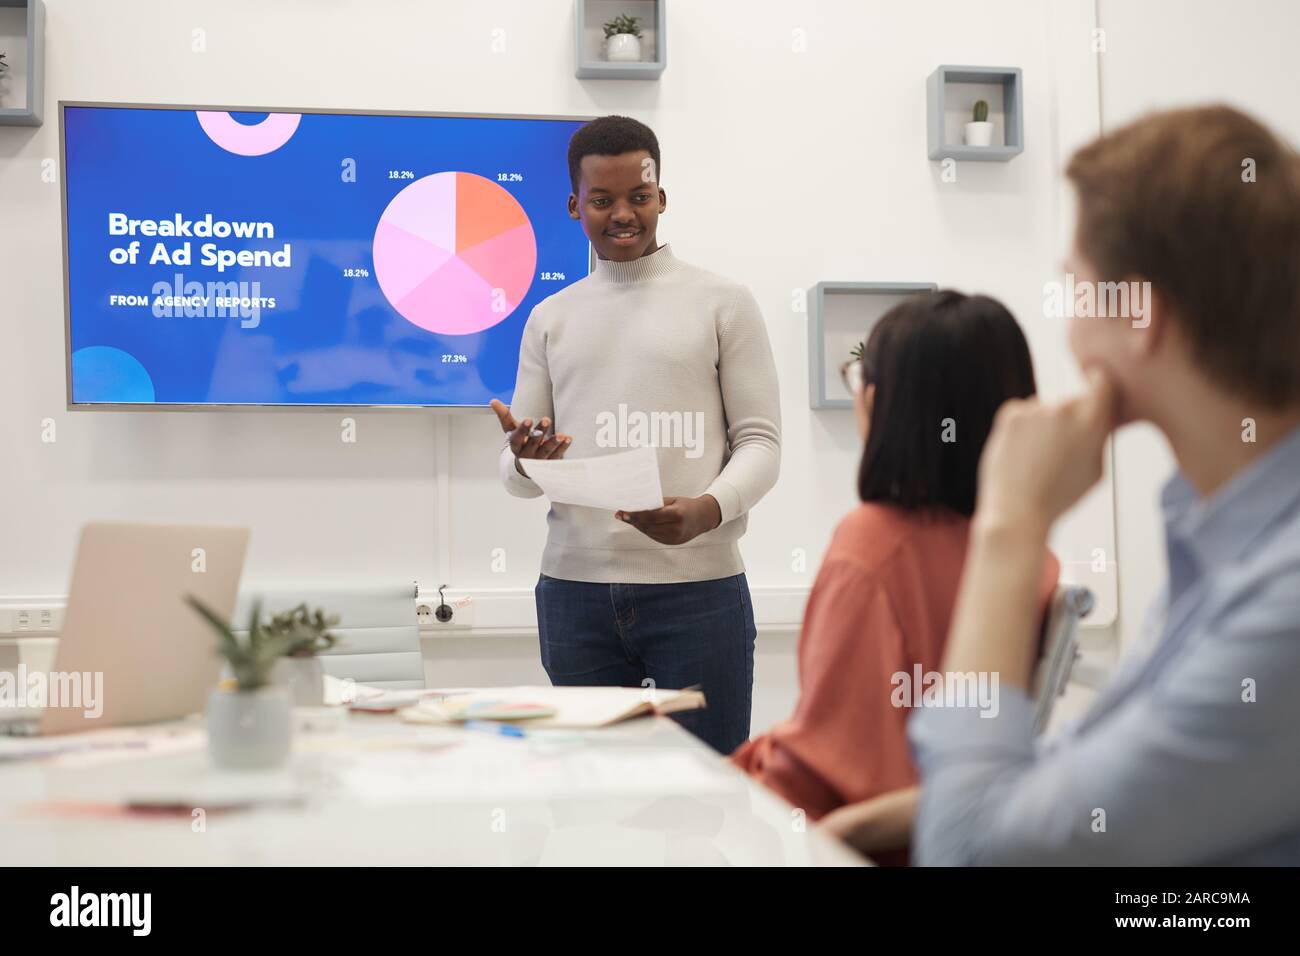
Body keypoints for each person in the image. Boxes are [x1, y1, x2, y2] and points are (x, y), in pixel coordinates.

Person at [906, 105, 1300, 864]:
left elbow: (971, 852)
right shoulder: (1224, 535)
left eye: (1075, 288)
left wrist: (1010, 527)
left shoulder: (1282, 599)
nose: (1070, 329)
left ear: (1138, 313)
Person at [489, 115, 781, 754]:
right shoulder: (549, 317)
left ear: (662, 198)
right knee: (597, 804)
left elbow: (761, 442)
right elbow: (515, 477)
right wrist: (525, 459)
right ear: (574, 206)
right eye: (602, 200)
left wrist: (707, 511)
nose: (623, 214)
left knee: (709, 803)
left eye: (639, 197)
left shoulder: (722, 302)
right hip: (573, 598)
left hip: (698, 593)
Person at [733, 291, 1059, 861]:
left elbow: (822, 774)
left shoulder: (873, 548)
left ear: (881, 402)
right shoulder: (1029, 556)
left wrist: (724, 782)